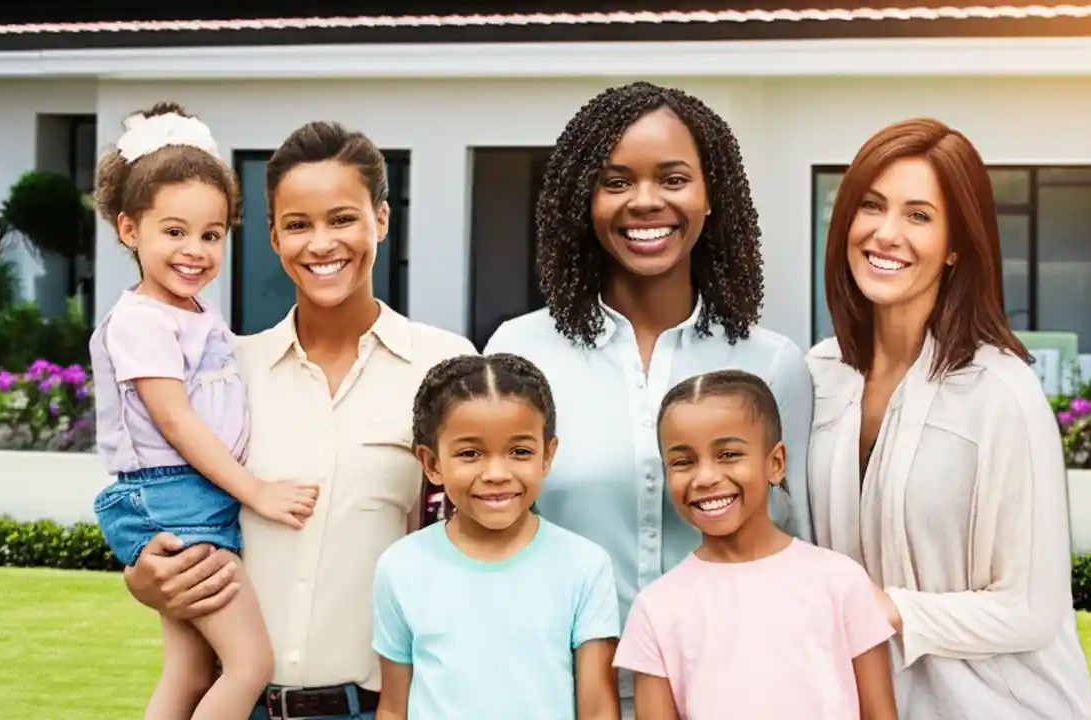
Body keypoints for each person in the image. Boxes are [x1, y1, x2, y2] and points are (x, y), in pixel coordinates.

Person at [120, 120, 476, 720]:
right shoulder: (226, 370)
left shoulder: (443, 365)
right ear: (272, 235)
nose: (321, 244)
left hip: (378, 706)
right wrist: (143, 575)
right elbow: (166, 498)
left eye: (342, 219)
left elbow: (473, 544)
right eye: (298, 225)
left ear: (381, 220)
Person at [484, 81, 814, 715]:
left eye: (673, 179)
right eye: (615, 182)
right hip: (555, 693)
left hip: (737, 692)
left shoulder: (771, 363)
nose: (645, 202)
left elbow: (800, 541)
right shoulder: (520, 352)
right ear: (583, 201)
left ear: (711, 194)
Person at [807, 117, 1091, 718]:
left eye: (918, 215)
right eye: (872, 206)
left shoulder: (1001, 394)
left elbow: (1031, 607)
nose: (886, 234)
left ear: (957, 245)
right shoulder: (817, 375)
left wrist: (886, 608)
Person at [89, 102, 319, 719]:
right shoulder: (140, 319)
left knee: (192, 669)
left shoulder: (192, 312)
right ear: (128, 229)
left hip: (185, 496)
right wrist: (258, 491)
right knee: (249, 665)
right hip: (176, 499)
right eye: (174, 231)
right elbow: (176, 421)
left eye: (211, 235)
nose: (195, 251)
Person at [614, 369, 897, 719]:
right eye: (683, 462)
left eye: (728, 454)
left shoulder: (840, 582)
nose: (705, 478)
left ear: (775, 463)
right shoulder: (655, 609)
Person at [371, 354, 621, 719]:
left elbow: (598, 709)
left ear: (547, 455)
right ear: (432, 464)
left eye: (520, 452)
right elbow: (394, 708)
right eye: (470, 454)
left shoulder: (584, 565)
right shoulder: (401, 567)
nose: (497, 473)